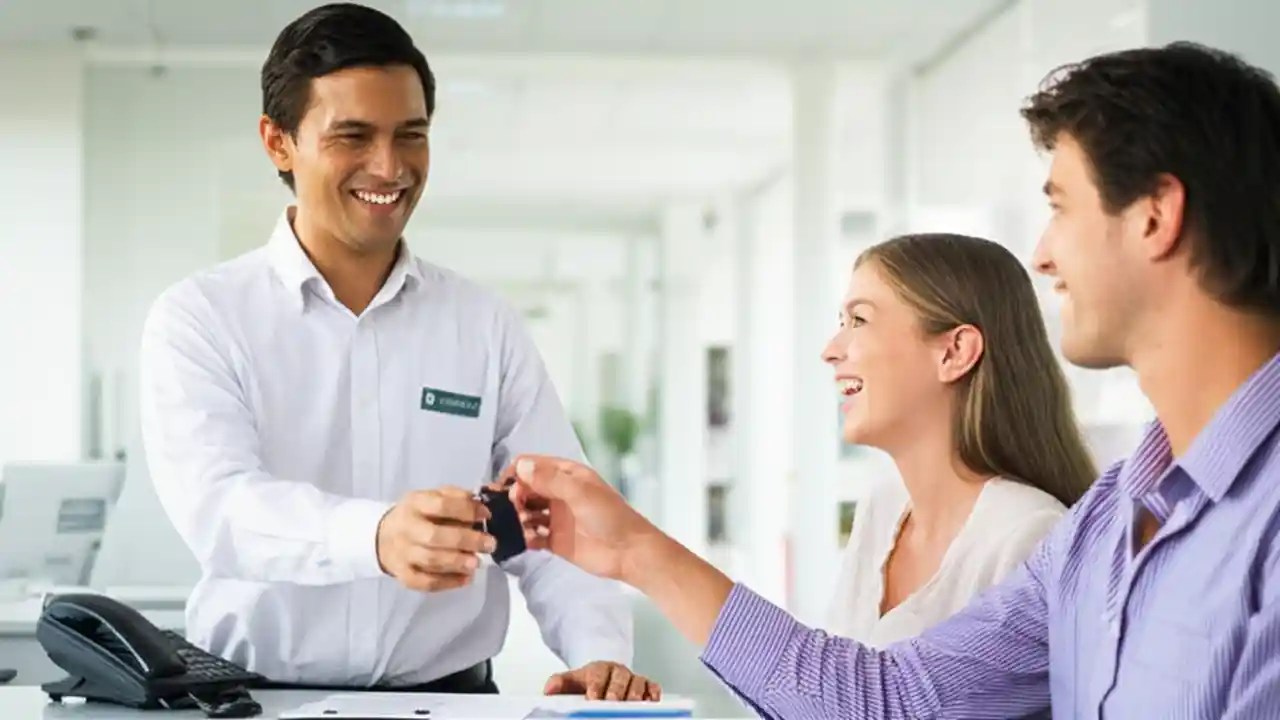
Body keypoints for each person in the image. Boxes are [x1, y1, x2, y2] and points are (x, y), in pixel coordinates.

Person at [504, 41, 1280, 719]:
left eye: (1061, 207)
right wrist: (636, 552)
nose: (1042, 255)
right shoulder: (1105, 524)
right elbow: (884, 699)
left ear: (1155, 216)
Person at [139, 2, 657, 700]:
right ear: (277, 142)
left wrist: (598, 652)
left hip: (450, 700)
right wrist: (377, 537)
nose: (390, 167)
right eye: (352, 136)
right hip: (254, 701)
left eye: (410, 135)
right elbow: (222, 511)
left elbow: (554, 520)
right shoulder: (200, 318)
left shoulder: (482, 324)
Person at [822, 234, 1095, 647]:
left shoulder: (1029, 534)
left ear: (954, 352)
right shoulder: (881, 509)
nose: (831, 350)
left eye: (859, 321)